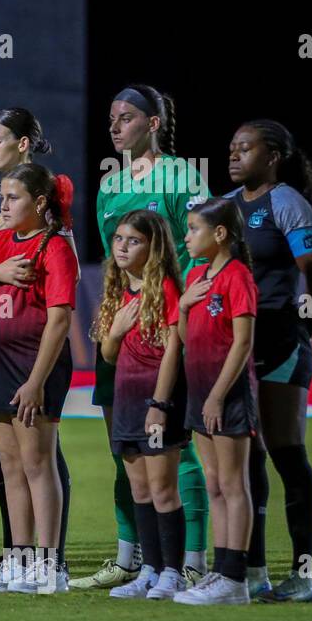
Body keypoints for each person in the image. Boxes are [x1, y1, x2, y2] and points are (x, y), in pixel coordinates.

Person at [74, 86, 210, 590]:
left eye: (126, 117)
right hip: (122, 329)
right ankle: (132, 557)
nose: (114, 126)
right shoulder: (109, 186)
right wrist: (111, 317)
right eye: (111, 117)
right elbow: (115, 263)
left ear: (152, 124)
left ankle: (190, 558)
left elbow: (201, 247)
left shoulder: (181, 175)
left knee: (176, 449)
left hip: (167, 329)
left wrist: (186, 312)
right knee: (123, 446)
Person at [0, 108, 73, 582]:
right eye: (3, 197)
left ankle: (50, 563)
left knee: (37, 462)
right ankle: (22, 557)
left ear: (41, 201)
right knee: (10, 463)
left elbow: (60, 318)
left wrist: (35, 381)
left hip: (31, 364)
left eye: (13, 197)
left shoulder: (55, 247)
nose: (3, 205)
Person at [224, 120, 312, 602]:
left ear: (273, 156)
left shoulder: (286, 204)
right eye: (232, 148)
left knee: (287, 453)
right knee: (248, 458)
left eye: (246, 148)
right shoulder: (225, 206)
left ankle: (303, 576)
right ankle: (253, 573)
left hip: (281, 342)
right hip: (239, 343)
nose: (235, 154)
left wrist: (300, 330)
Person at [94, 211, 190, 599]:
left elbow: (173, 351)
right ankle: (149, 569)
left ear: (153, 247)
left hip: (156, 400)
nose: (122, 246)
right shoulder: (117, 291)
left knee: (163, 488)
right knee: (140, 490)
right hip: (126, 398)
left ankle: (173, 572)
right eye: (119, 239)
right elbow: (110, 355)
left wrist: (160, 404)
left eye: (133, 240)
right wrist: (114, 332)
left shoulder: (165, 288)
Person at [174, 198, 258, 606]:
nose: (187, 237)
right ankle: (219, 572)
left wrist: (218, 395)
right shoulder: (196, 275)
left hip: (225, 394)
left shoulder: (237, 276)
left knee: (232, 482)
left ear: (219, 234)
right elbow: (189, 342)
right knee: (213, 484)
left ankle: (235, 578)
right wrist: (185, 307)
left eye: (193, 229)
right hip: (201, 391)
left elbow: (242, 343)